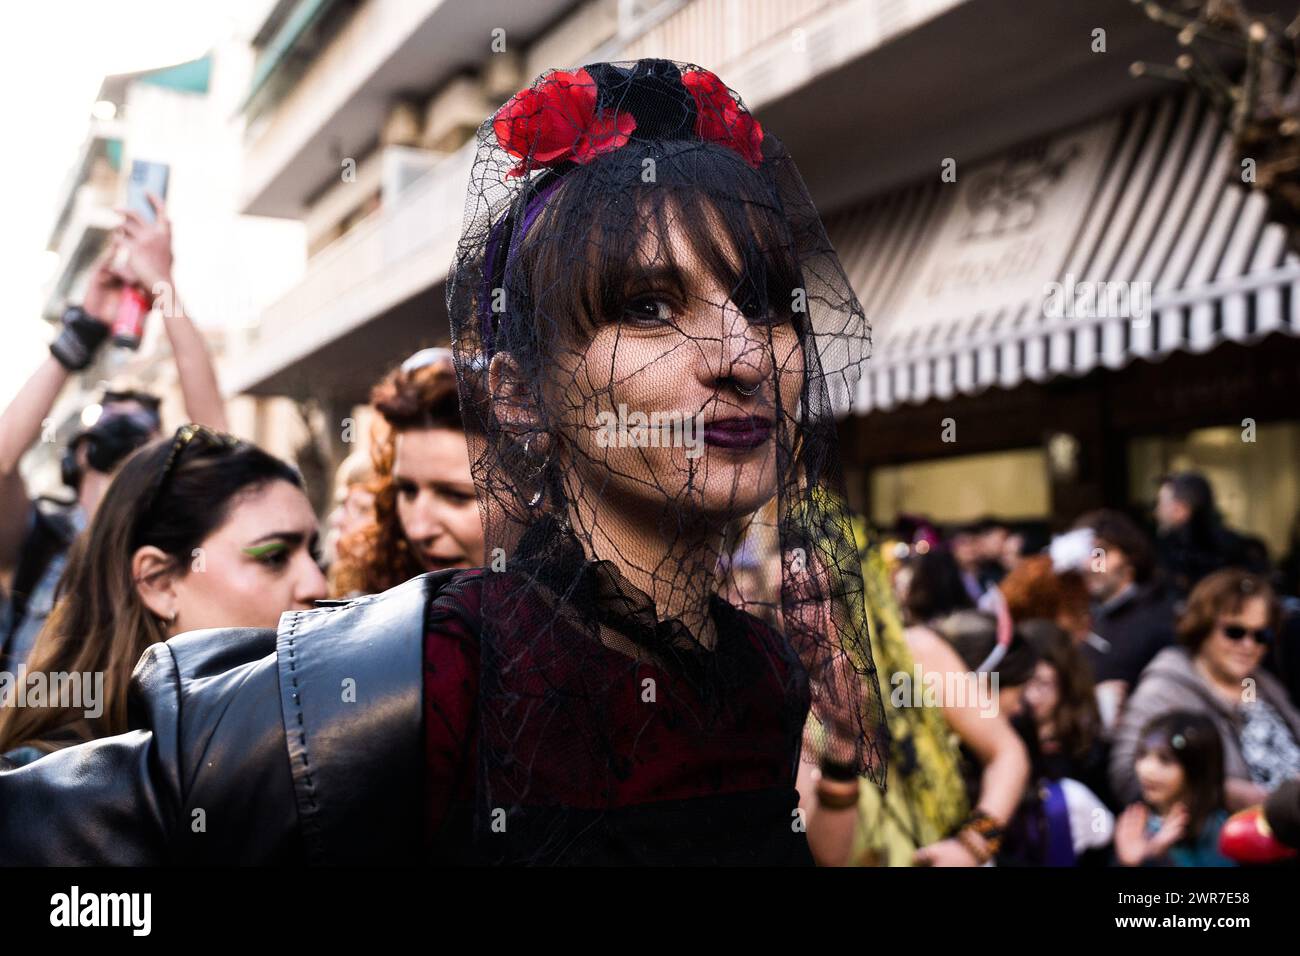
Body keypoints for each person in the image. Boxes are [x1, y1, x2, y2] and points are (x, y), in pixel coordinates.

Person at [0, 59, 887, 865]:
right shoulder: (425, 675)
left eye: (764, 301)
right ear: (519, 397)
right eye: (649, 307)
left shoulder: (763, 674)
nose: (740, 353)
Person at [0, 425, 327, 764]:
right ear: (158, 582)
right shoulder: (45, 785)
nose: (317, 585)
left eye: (316, 556)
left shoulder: (316, 733)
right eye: (274, 557)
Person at [0, 203, 227, 670]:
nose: (128, 418)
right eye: (109, 412)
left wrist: (163, 287)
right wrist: (79, 337)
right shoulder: (39, 541)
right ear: (77, 453)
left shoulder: (168, 546)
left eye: (146, 418)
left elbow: (224, 454)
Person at [1111, 569, 1300, 810]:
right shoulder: (1165, 689)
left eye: (1261, 635)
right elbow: (1127, 778)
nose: (1248, 645)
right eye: (1235, 632)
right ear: (1203, 627)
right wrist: (1223, 794)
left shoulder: (1263, 682)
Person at [329, 348, 484, 598]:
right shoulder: (373, 615)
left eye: (456, 496)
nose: (418, 530)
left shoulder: (564, 622)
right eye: (408, 490)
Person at [1071, 510, 1178, 721]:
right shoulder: (1078, 617)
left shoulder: (1159, 621)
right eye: (1085, 554)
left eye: (1101, 553)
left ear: (1130, 558)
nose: (1089, 565)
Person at [1114, 711, 1234, 867]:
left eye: (1165, 760)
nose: (1145, 769)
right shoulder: (1137, 828)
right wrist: (1144, 858)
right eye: (1142, 754)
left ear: (1196, 769)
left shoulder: (1221, 830)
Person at [1020, 619, 1112, 808]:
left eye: (1042, 683)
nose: (1030, 696)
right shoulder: (1006, 735)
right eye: (1022, 683)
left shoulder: (1084, 743)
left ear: (1065, 682)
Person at [1154, 471, 1261, 598]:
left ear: (1180, 510)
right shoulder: (1237, 546)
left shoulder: (1171, 553)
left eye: (1161, 505)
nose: (1156, 512)